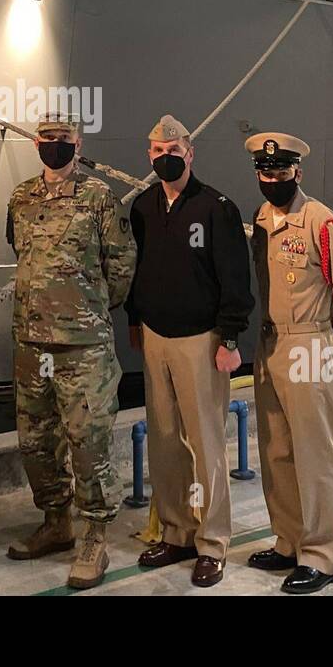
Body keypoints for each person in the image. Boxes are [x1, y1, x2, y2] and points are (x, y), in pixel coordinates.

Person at [5, 112, 136, 589]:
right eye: (47, 139)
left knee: (89, 442)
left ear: (77, 143)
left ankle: (95, 534)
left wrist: (90, 310)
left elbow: (121, 265)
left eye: (63, 139)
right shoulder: (21, 197)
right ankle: (55, 522)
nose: (54, 146)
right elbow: (22, 254)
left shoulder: (99, 197)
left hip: (83, 347)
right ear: (36, 142)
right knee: (35, 442)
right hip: (30, 342)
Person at [125, 114, 253, 587]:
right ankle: (177, 531)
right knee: (163, 442)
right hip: (156, 336)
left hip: (203, 341)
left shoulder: (216, 208)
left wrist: (230, 338)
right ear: (149, 155)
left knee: (206, 445)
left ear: (190, 153)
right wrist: (135, 319)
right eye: (157, 151)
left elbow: (236, 280)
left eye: (174, 149)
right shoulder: (142, 208)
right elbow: (136, 272)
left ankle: (213, 541)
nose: (166, 157)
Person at [243, 132, 333, 594]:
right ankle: (289, 541)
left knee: (316, 454)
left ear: (298, 172)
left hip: (310, 344)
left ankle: (322, 555)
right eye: (265, 173)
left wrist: (331, 332)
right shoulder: (261, 218)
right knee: (277, 452)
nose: (273, 179)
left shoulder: (321, 221)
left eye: (282, 172)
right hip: (269, 344)